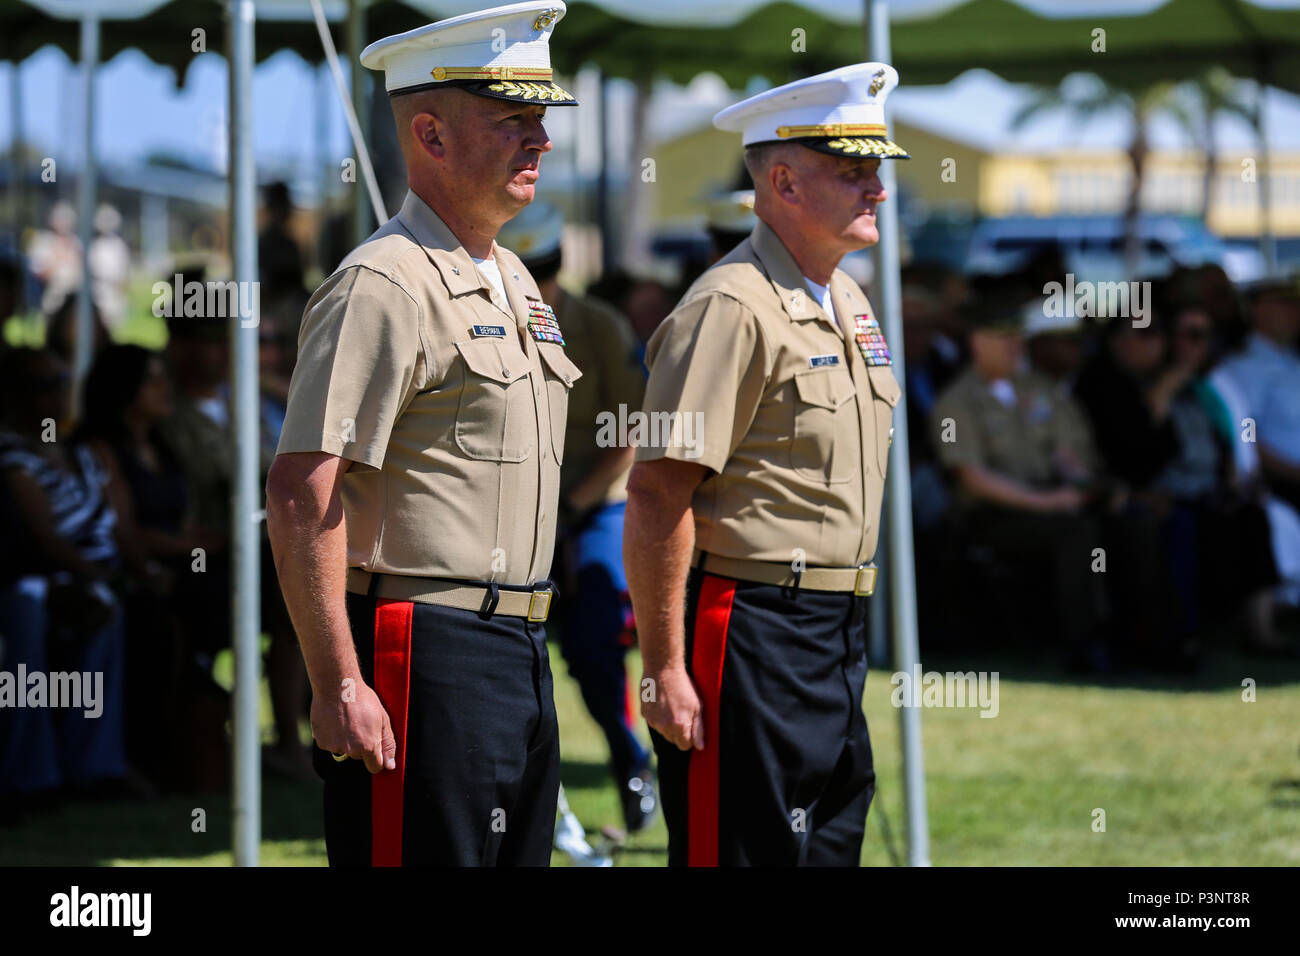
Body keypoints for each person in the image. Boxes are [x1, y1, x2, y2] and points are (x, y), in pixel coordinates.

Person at [265, 1, 580, 867]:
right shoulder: (383, 282)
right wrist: (337, 682)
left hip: (515, 644)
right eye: (512, 119)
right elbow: (302, 486)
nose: (540, 139)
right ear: (431, 136)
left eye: (542, 118)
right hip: (421, 648)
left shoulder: (512, 277)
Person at [624, 63, 908, 866]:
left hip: (834, 628)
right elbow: (657, 493)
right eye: (853, 171)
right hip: (750, 628)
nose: (876, 189)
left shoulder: (846, 297)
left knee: (825, 847)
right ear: (781, 179)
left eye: (877, 170)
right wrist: (664, 668)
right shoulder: (730, 306)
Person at [497, 201, 656, 833]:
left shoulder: (598, 326)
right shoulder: (485, 320)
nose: (536, 284)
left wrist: (573, 505)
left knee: (595, 644)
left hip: (593, 506)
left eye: (543, 269)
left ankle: (629, 758)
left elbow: (633, 428)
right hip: (509, 511)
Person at [931, 300, 1112, 670]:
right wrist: (1051, 503)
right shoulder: (955, 403)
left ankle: (1144, 636)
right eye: (1006, 339)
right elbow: (971, 478)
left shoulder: (1041, 389)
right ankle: (1082, 646)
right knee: (1075, 533)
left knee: (1131, 520)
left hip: (1051, 497)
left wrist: (1081, 483)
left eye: (1018, 339)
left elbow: (1068, 450)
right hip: (993, 514)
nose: (1017, 347)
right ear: (978, 343)